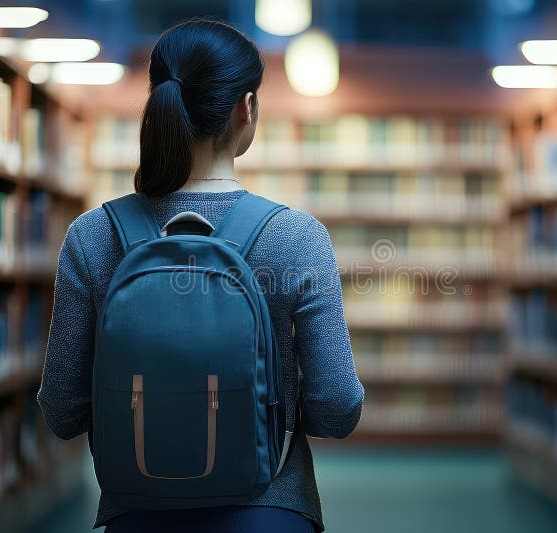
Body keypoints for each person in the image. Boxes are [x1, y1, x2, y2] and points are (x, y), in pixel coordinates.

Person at [37, 18, 364, 533]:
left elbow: (61, 411)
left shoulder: (93, 235)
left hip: (138, 508)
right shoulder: (297, 237)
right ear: (247, 109)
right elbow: (339, 408)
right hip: (269, 509)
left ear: (160, 102)